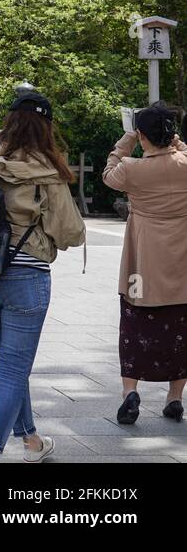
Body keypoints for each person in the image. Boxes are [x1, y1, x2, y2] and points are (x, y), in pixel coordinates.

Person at [0, 91, 85, 462]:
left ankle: (31, 440)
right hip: (26, 278)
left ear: (10, 121)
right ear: (46, 127)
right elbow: (70, 233)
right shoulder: (47, 171)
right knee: (14, 367)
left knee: (12, 364)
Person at [102, 102, 187, 425]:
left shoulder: (132, 168)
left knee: (135, 322)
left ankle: (130, 392)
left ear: (141, 135)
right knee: (181, 328)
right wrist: (176, 143)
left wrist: (126, 141)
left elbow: (109, 175)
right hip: (182, 266)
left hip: (142, 267)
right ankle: (175, 396)